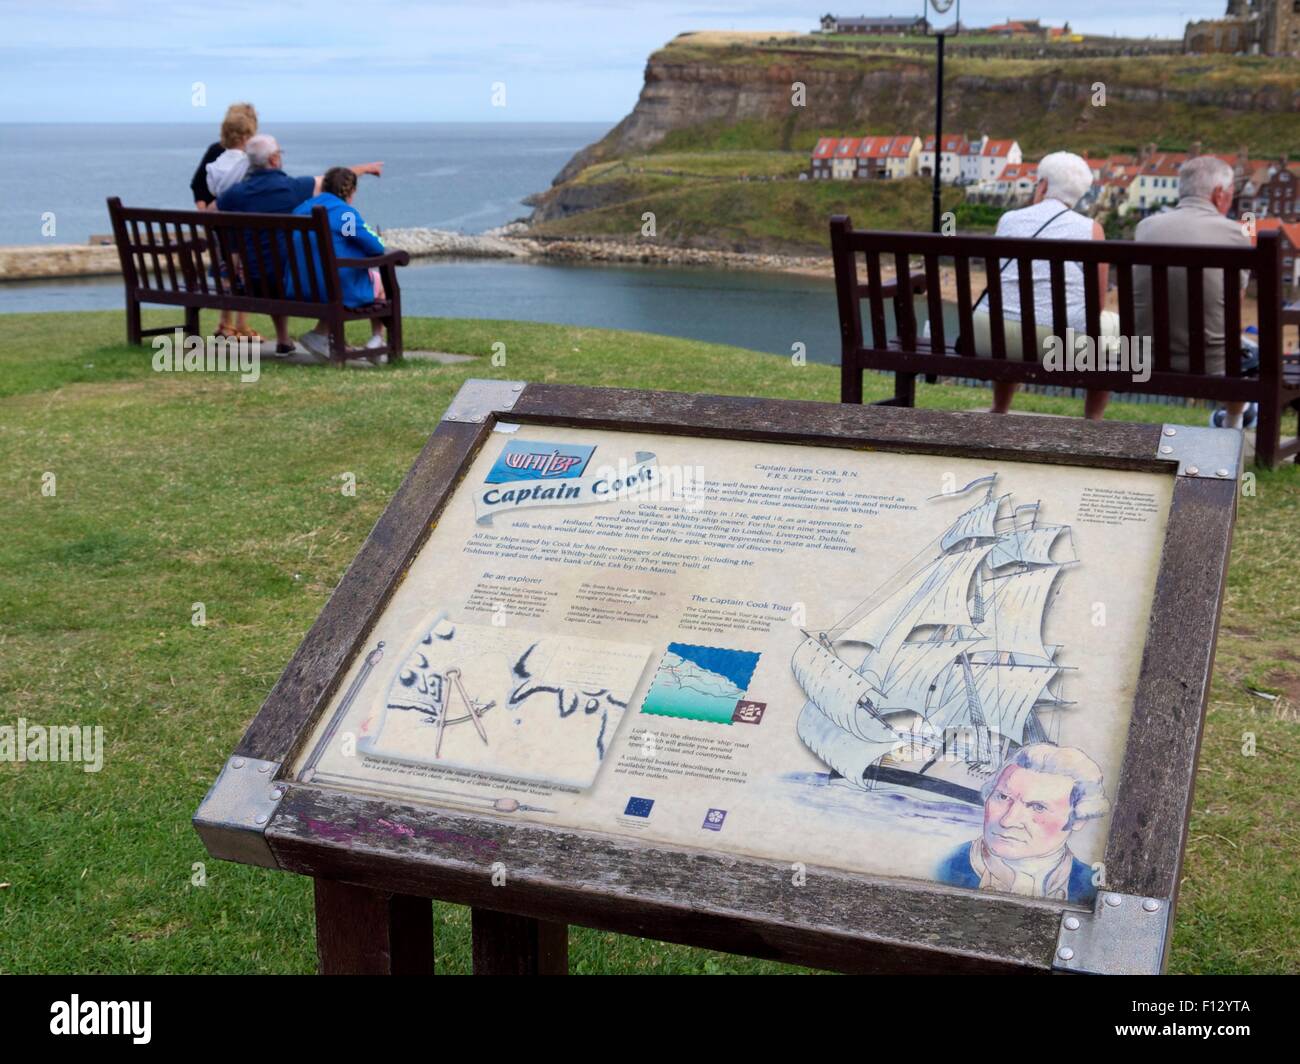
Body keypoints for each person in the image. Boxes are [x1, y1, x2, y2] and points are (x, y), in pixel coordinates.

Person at [976, 152, 1117, 420]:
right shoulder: (1091, 230)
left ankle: (1000, 408)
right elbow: (1095, 306)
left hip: (990, 337)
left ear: (1042, 185)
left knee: (1011, 312)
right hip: (1058, 346)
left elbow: (1001, 287)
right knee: (1114, 331)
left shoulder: (1008, 219)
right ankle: (1093, 420)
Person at [215, 134, 384, 354]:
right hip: (301, 284)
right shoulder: (305, 194)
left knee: (275, 265)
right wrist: (365, 169)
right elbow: (369, 242)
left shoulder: (238, 196)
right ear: (274, 159)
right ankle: (376, 339)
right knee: (371, 280)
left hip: (269, 283)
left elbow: (214, 210)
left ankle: (298, 338)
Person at [1133, 155, 1254, 430]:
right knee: (1250, 351)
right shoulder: (1235, 234)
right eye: (1231, 196)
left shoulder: (1146, 228)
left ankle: (1235, 418)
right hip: (1212, 362)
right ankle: (1233, 422)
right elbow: (1234, 305)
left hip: (1145, 356)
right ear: (1219, 194)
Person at [936, 743, 1109, 905]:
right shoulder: (944, 865)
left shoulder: (1093, 888)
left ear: (1078, 819)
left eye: (1038, 807)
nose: (1007, 820)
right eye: (1003, 797)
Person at [287, 167, 389, 358]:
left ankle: (321, 334)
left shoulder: (300, 209)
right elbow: (375, 247)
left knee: (333, 280)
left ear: (324, 186)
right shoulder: (345, 214)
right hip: (332, 289)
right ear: (351, 191)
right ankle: (376, 341)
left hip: (301, 286)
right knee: (379, 282)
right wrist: (376, 239)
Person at [190, 102, 259, 340]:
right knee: (241, 273)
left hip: (219, 227)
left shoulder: (215, 154)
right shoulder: (250, 157)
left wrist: (208, 217)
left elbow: (199, 187)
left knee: (227, 273)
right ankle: (238, 324)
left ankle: (226, 323)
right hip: (240, 228)